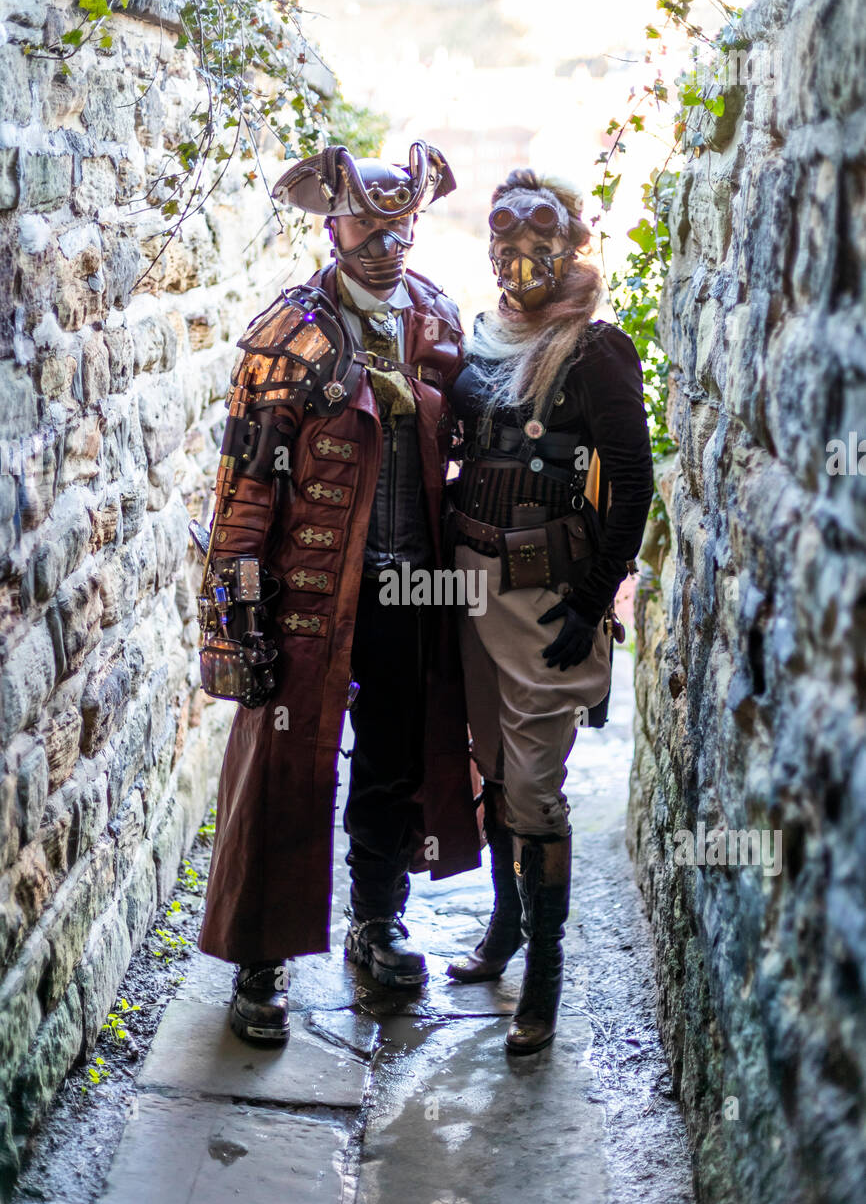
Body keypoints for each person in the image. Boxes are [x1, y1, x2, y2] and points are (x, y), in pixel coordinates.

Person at [197, 142, 480, 1044]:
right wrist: (237, 621)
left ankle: (376, 920)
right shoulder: (291, 330)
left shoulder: (435, 315)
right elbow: (243, 486)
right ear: (332, 225)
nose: (386, 245)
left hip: (414, 582)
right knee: (285, 766)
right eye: (368, 227)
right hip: (309, 591)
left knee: (396, 758)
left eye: (400, 227)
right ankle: (261, 961)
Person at [444, 168, 654, 1054]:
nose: (521, 258)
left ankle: (546, 983)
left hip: (543, 597)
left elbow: (632, 481)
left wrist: (595, 598)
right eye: (506, 239)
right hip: (467, 584)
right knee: (489, 767)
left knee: (534, 787)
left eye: (541, 240)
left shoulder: (594, 349)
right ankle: (505, 930)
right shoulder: (482, 336)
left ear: (570, 246)